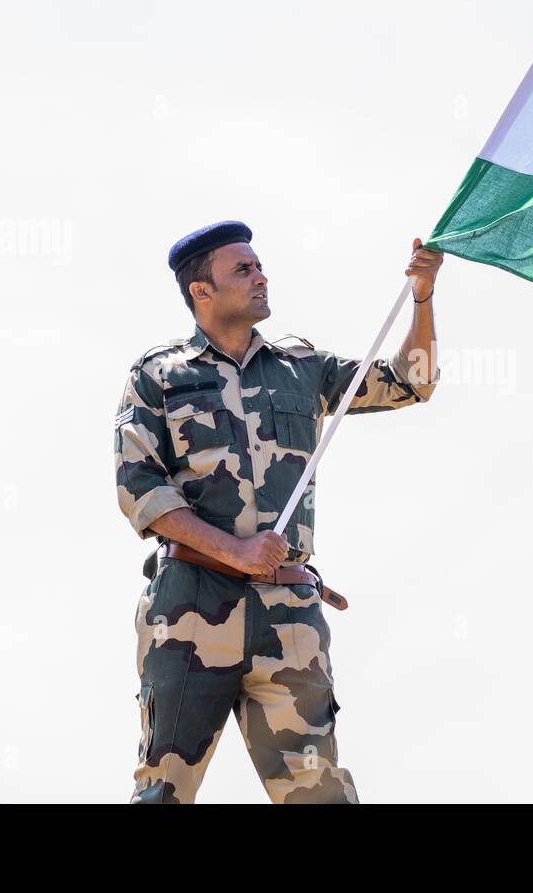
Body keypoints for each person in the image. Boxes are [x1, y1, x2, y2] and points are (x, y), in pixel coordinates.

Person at [114, 220, 442, 803]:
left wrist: (423, 296)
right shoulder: (160, 374)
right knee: (162, 789)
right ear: (202, 291)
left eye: (260, 265)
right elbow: (139, 487)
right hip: (189, 605)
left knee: (320, 792)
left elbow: (410, 382)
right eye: (243, 269)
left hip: (287, 613)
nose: (261, 276)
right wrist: (233, 550)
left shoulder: (301, 369)